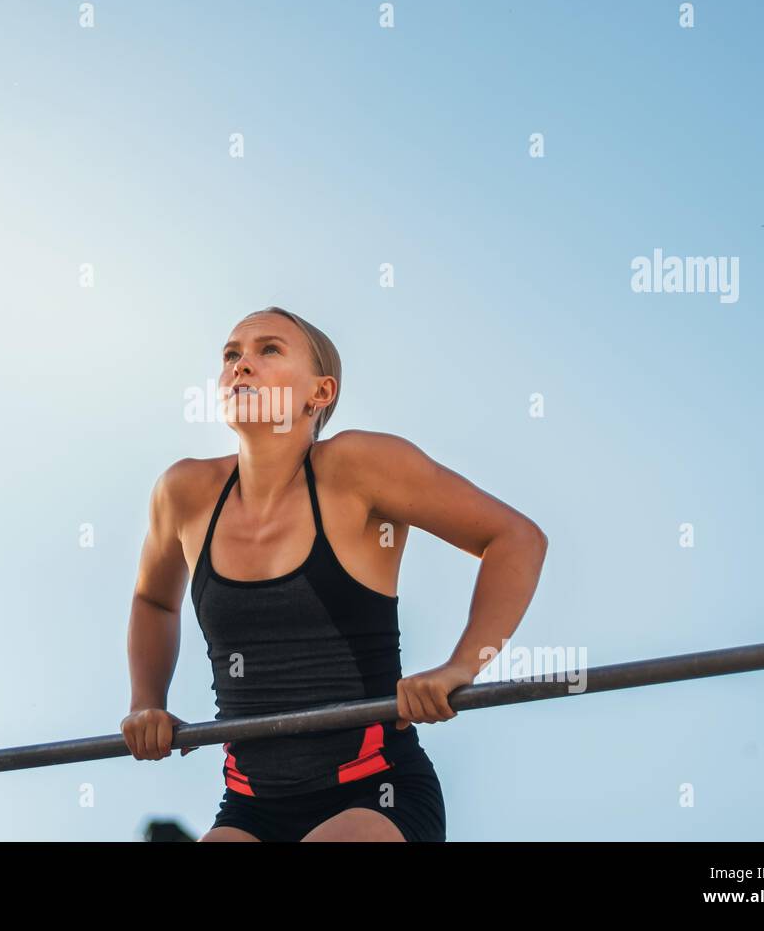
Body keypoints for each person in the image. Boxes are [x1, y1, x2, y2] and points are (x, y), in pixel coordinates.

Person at [120, 307, 548, 841]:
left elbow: (516, 538)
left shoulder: (360, 466)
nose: (241, 365)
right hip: (250, 807)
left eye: (268, 350)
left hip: (377, 793)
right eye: (231, 354)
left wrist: (462, 666)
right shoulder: (184, 492)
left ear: (320, 393)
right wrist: (147, 702)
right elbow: (154, 601)